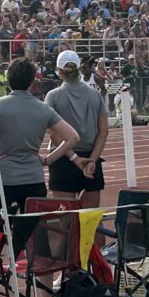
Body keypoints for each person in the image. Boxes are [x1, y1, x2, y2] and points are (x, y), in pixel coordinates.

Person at [0, 58, 79, 217]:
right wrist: (47, 160)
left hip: (3, 179)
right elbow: (73, 137)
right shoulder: (43, 108)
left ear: (8, 79)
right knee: (33, 233)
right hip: (33, 179)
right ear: (31, 81)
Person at [44, 51, 108, 209]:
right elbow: (104, 131)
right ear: (79, 69)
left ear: (58, 71)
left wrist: (74, 158)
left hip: (63, 158)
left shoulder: (53, 96)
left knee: (64, 220)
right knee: (92, 222)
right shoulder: (95, 95)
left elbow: (54, 135)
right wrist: (93, 159)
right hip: (90, 159)